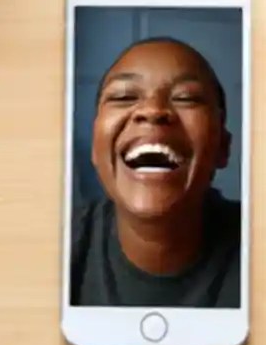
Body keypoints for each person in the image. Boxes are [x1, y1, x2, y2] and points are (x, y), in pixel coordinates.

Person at [70, 37, 240, 308]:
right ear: (94, 147)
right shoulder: (57, 246)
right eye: (124, 96)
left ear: (223, 147)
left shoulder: (265, 248)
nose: (152, 110)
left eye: (186, 98)